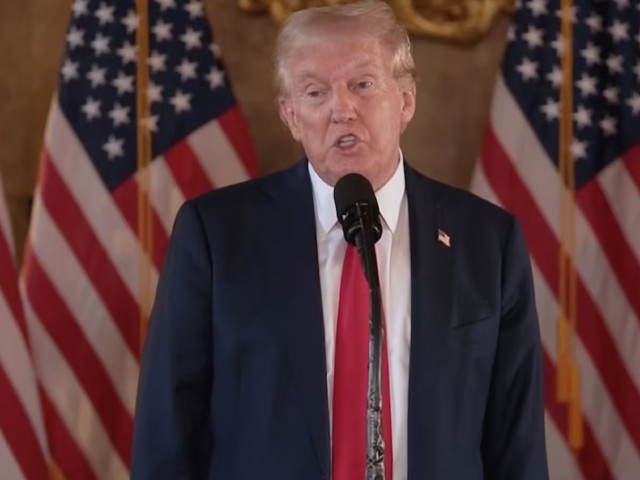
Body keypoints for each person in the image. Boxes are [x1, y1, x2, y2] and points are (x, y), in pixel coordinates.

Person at [131, 1, 549, 479]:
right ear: (290, 116)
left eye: (363, 85)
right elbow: (165, 439)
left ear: (406, 99)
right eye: (314, 92)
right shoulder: (216, 236)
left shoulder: (488, 243)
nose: (341, 109)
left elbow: (517, 449)